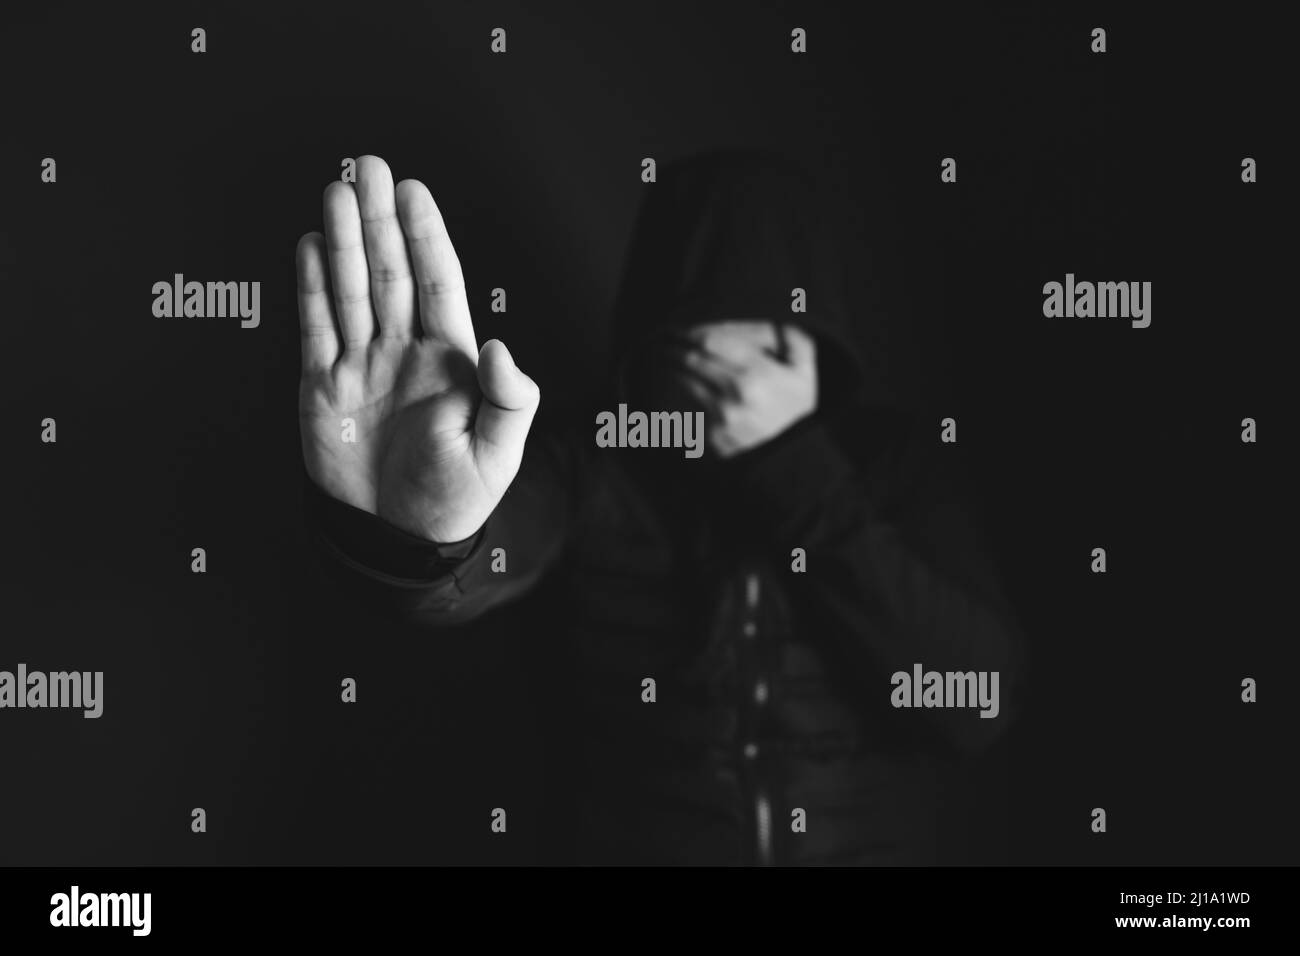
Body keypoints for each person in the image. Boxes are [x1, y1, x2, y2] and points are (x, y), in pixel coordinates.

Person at [295, 151, 1025, 865]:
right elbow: (481, 561)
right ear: (657, 360)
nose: (732, 388)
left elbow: (976, 706)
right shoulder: (593, 463)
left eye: (770, 353)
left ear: (815, 354)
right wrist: (423, 539)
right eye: (698, 356)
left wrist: (795, 474)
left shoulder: (893, 468)